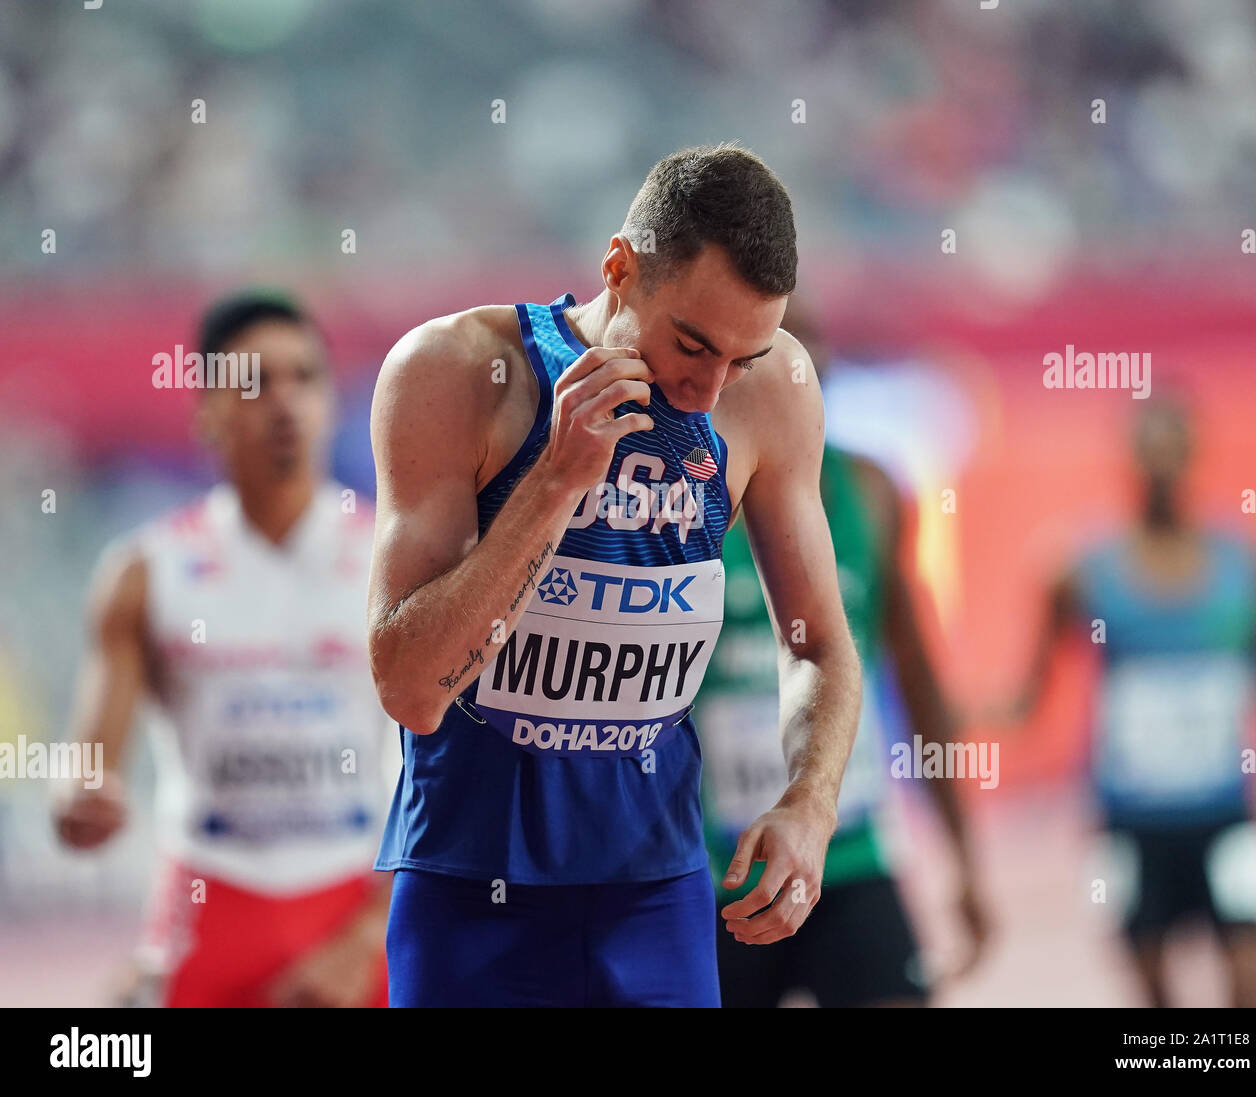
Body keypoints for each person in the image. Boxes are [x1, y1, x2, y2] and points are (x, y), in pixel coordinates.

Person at [370, 143, 863, 1007]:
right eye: (693, 345)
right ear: (620, 267)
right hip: (470, 886)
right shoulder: (455, 372)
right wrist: (556, 479)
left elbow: (820, 642)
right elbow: (411, 687)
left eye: (740, 359)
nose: (709, 391)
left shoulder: (776, 387)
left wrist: (810, 803)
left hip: (655, 889)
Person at [54, 290, 393, 1008]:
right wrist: (81, 802)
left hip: (357, 895)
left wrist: (369, 933)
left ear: (331, 402)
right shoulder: (145, 572)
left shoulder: (391, 561)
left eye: (303, 379)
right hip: (211, 897)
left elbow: (449, 774)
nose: (283, 403)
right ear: (205, 410)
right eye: (255, 381)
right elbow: (84, 773)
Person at [697, 302, 988, 1007]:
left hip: (844, 855)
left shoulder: (872, 492)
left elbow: (915, 674)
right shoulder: (688, 487)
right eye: (778, 357)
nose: (801, 377)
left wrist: (964, 858)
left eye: (815, 361)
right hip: (713, 868)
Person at [1001, 395, 1256, 1008]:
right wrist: (953, 721)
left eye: (1173, 451)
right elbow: (1027, 695)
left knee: (1250, 990)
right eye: (1149, 452)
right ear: (1130, 460)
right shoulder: (1085, 570)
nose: (1162, 467)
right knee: (1155, 1006)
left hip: (1229, 816)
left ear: (1193, 455)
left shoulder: (1243, 559)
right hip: (1130, 826)